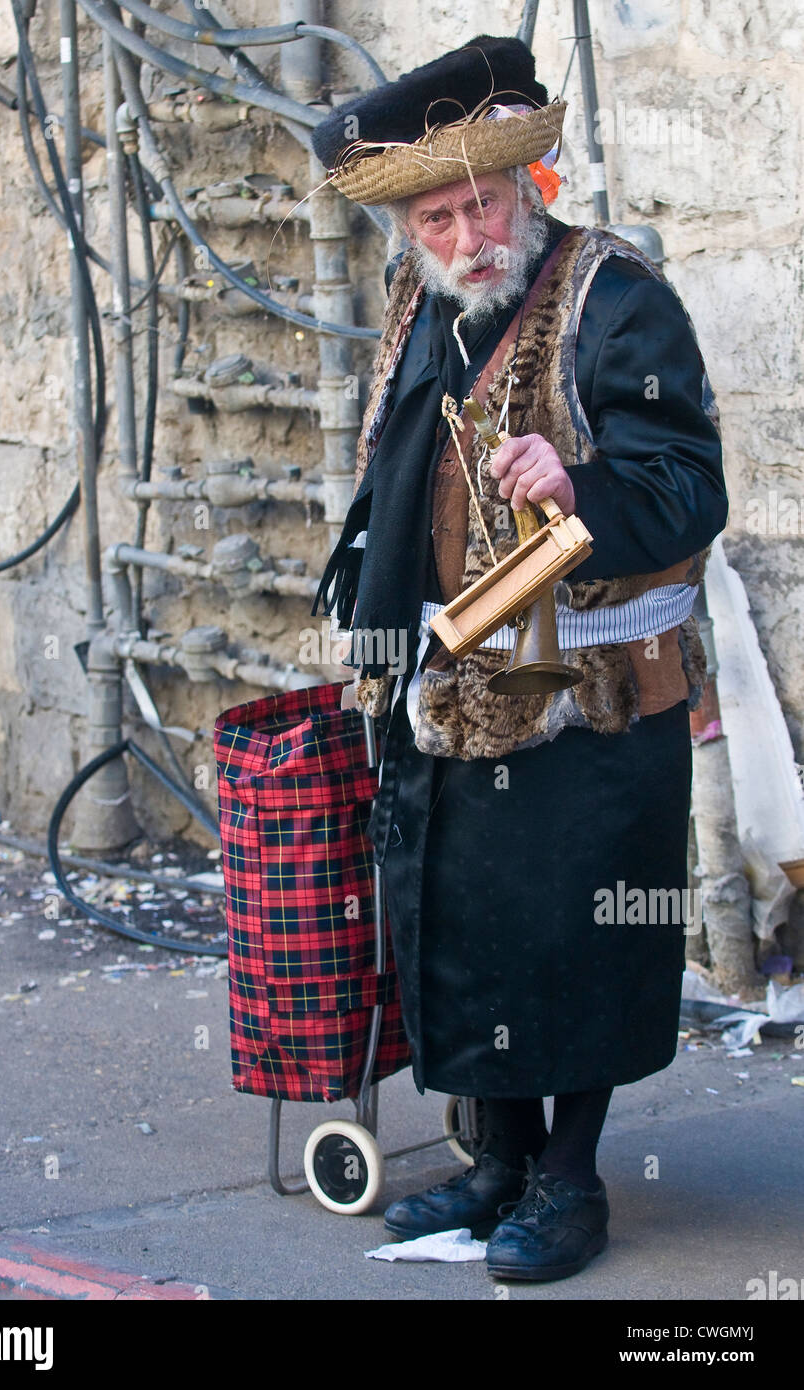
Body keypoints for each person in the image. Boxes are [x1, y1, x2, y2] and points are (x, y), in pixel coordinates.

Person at [309, 34, 728, 1282]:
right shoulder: (425, 301)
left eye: (482, 202)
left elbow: (688, 484)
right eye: (436, 214)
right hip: (446, 689)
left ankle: (569, 1182)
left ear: (524, 188)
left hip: (590, 692)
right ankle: (494, 1164)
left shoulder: (615, 296)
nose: (465, 232)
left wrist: (577, 481)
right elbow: (396, 482)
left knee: (575, 938)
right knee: (459, 924)